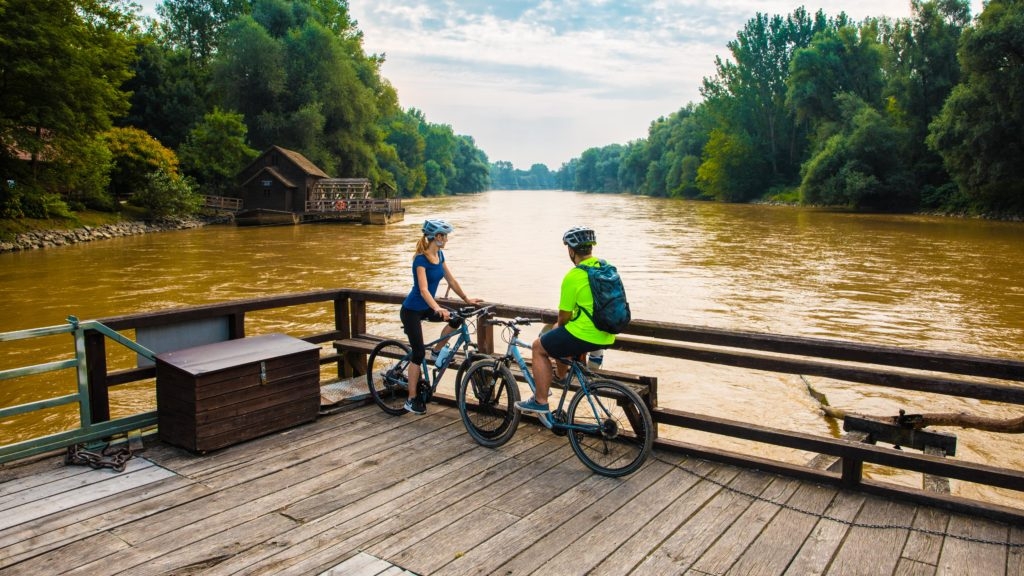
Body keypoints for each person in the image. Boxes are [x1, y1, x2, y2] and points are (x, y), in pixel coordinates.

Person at [516, 226, 614, 415]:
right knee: (558, 335)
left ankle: (540, 401)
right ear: (591, 248)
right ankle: (562, 375)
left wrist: (556, 329)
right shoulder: (604, 267)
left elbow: (564, 317)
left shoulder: (574, 275)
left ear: (571, 250)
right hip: (606, 334)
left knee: (539, 346)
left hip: (585, 336)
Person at [400, 218, 482, 415]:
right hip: (412, 310)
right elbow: (423, 289)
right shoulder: (421, 259)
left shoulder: (440, 256)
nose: (446, 239)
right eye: (444, 236)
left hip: (428, 307)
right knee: (418, 354)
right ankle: (411, 399)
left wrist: (466, 299)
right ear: (436, 237)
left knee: (456, 319)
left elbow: (451, 280)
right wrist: (438, 308)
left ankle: (436, 352)